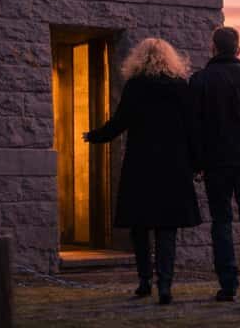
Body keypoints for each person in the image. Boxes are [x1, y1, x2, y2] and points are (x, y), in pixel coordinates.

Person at [84, 38, 201, 305]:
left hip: (141, 164)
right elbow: (193, 128)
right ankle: (166, 285)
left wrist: (95, 136)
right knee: (167, 229)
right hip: (174, 166)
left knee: (140, 226)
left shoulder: (136, 86)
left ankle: (145, 280)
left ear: (139, 57)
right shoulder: (180, 87)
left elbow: (120, 121)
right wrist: (196, 163)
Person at [189, 27, 240, 305]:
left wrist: (196, 162)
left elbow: (194, 127)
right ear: (238, 49)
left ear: (213, 48)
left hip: (215, 163)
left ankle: (228, 285)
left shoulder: (199, 81)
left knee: (221, 222)